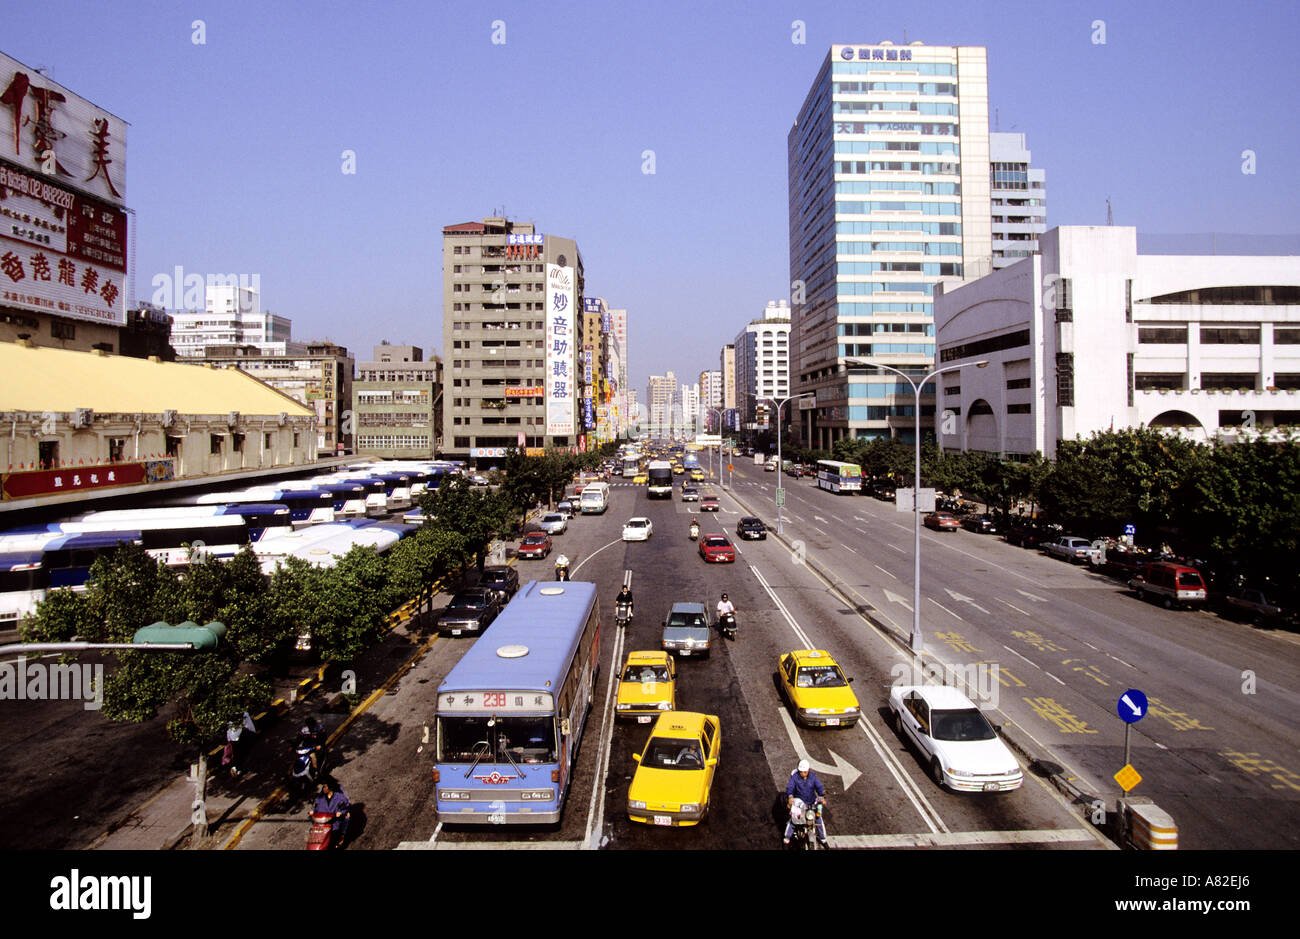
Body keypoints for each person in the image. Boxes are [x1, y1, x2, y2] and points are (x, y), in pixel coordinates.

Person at [784, 759, 828, 847]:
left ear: (808, 771)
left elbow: (819, 787)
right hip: (799, 802)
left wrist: (821, 796)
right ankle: (787, 838)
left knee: (818, 819)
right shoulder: (794, 777)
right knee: (794, 821)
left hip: (812, 801)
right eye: (801, 772)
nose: (803, 774)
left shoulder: (813, 777)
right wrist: (790, 797)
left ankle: (823, 840)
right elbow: (790, 787)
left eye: (805, 772)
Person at [313, 778, 351, 848]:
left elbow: (345, 807)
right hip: (322, 824)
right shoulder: (320, 798)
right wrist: (313, 813)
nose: (323, 789)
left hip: (335, 823)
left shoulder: (339, 797)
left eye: (325, 787)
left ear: (330, 788)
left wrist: (340, 813)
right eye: (323, 787)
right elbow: (316, 808)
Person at [225, 710, 257, 777]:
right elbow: (249, 725)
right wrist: (253, 732)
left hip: (233, 739)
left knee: (237, 755)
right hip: (241, 737)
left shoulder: (229, 719)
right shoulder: (244, 714)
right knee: (242, 753)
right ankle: (237, 769)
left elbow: (228, 730)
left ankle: (237, 769)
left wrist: (229, 739)